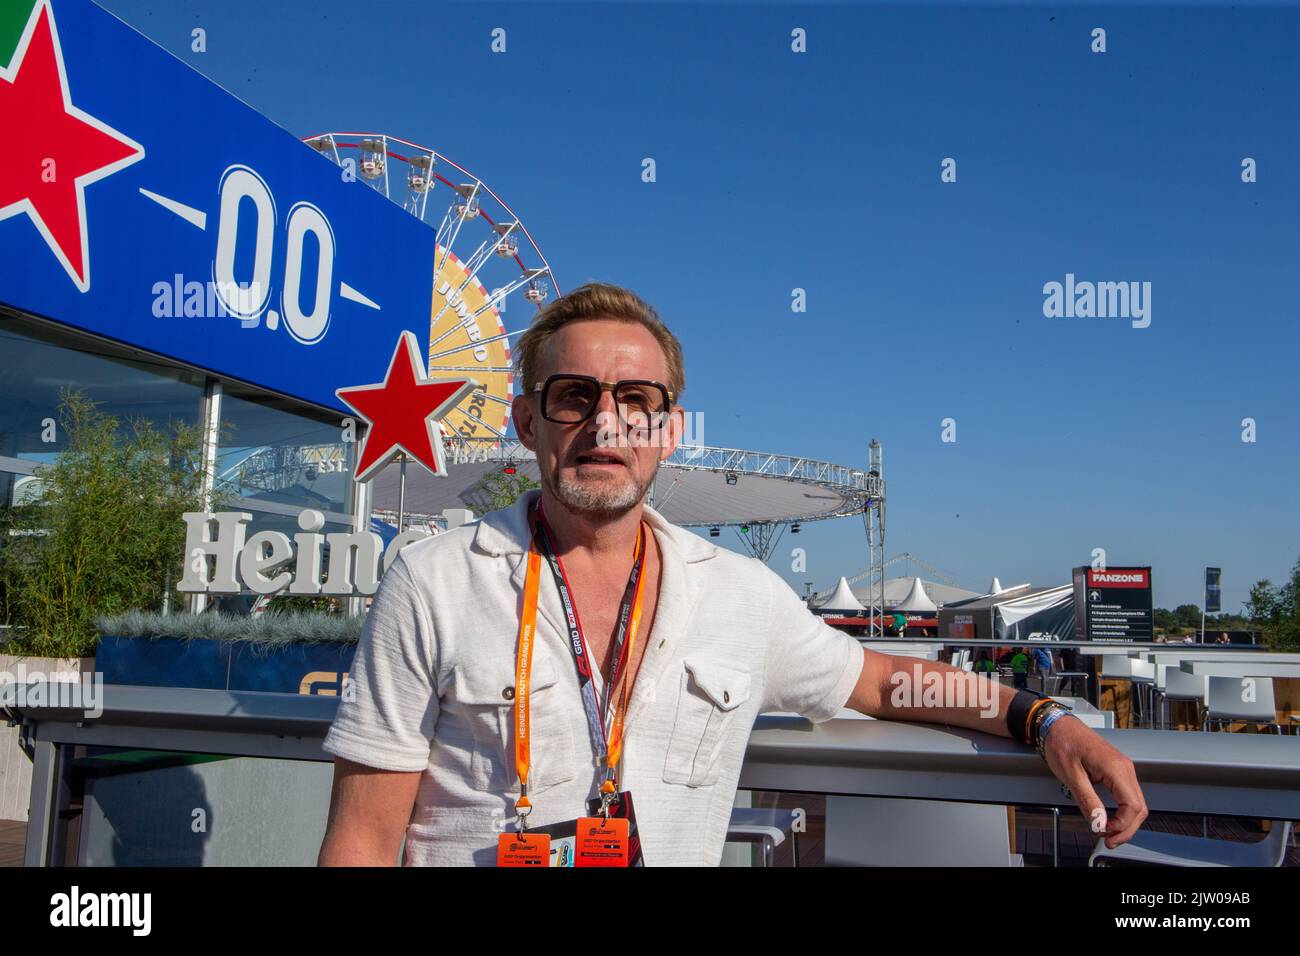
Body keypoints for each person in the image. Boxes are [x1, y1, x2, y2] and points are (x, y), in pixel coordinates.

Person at [316, 282, 1147, 866]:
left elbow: (892, 684)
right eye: (574, 395)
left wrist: (1045, 722)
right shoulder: (432, 582)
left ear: (669, 429)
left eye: (635, 399)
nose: (605, 422)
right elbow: (360, 840)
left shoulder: (739, 594)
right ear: (529, 421)